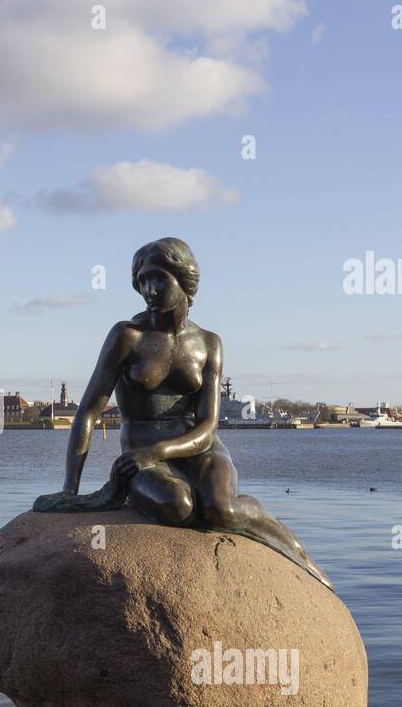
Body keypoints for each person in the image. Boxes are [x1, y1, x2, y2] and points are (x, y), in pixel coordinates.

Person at [34, 237, 332, 589]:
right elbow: (87, 413)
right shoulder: (127, 337)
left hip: (199, 447)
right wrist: (71, 487)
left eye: (158, 278)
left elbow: (208, 425)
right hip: (143, 454)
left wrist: (159, 451)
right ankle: (143, 492)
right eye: (142, 281)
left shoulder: (209, 343)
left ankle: (290, 545)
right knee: (179, 506)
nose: (149, 289)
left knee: (222, 510)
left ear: (185, 280)